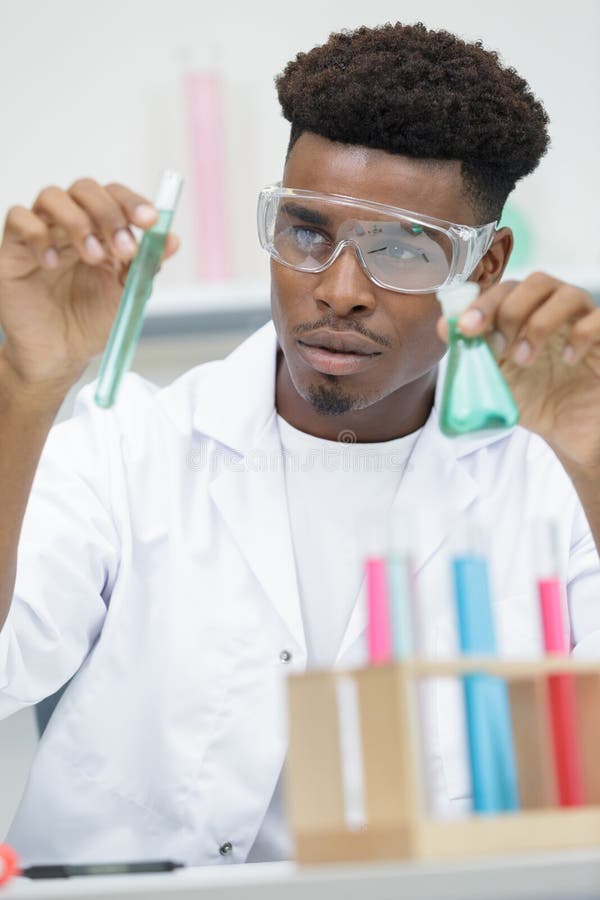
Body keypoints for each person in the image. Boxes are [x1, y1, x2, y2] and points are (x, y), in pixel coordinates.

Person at [1, 21, 599, 866]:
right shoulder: (126, 448)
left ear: (487, 264)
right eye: (308, 232)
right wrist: (23, 388)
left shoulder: (554, 487)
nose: (339, 290)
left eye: (401, 248)